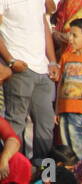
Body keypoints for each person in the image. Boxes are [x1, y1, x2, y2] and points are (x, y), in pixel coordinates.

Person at [0, 0, 56, 161]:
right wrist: (10, 60)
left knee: (46, 127)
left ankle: (46, 178)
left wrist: (52, 60)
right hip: (20, 68)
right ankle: (16, 175)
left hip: (43, 70)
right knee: (16, 125)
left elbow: (44, 24)